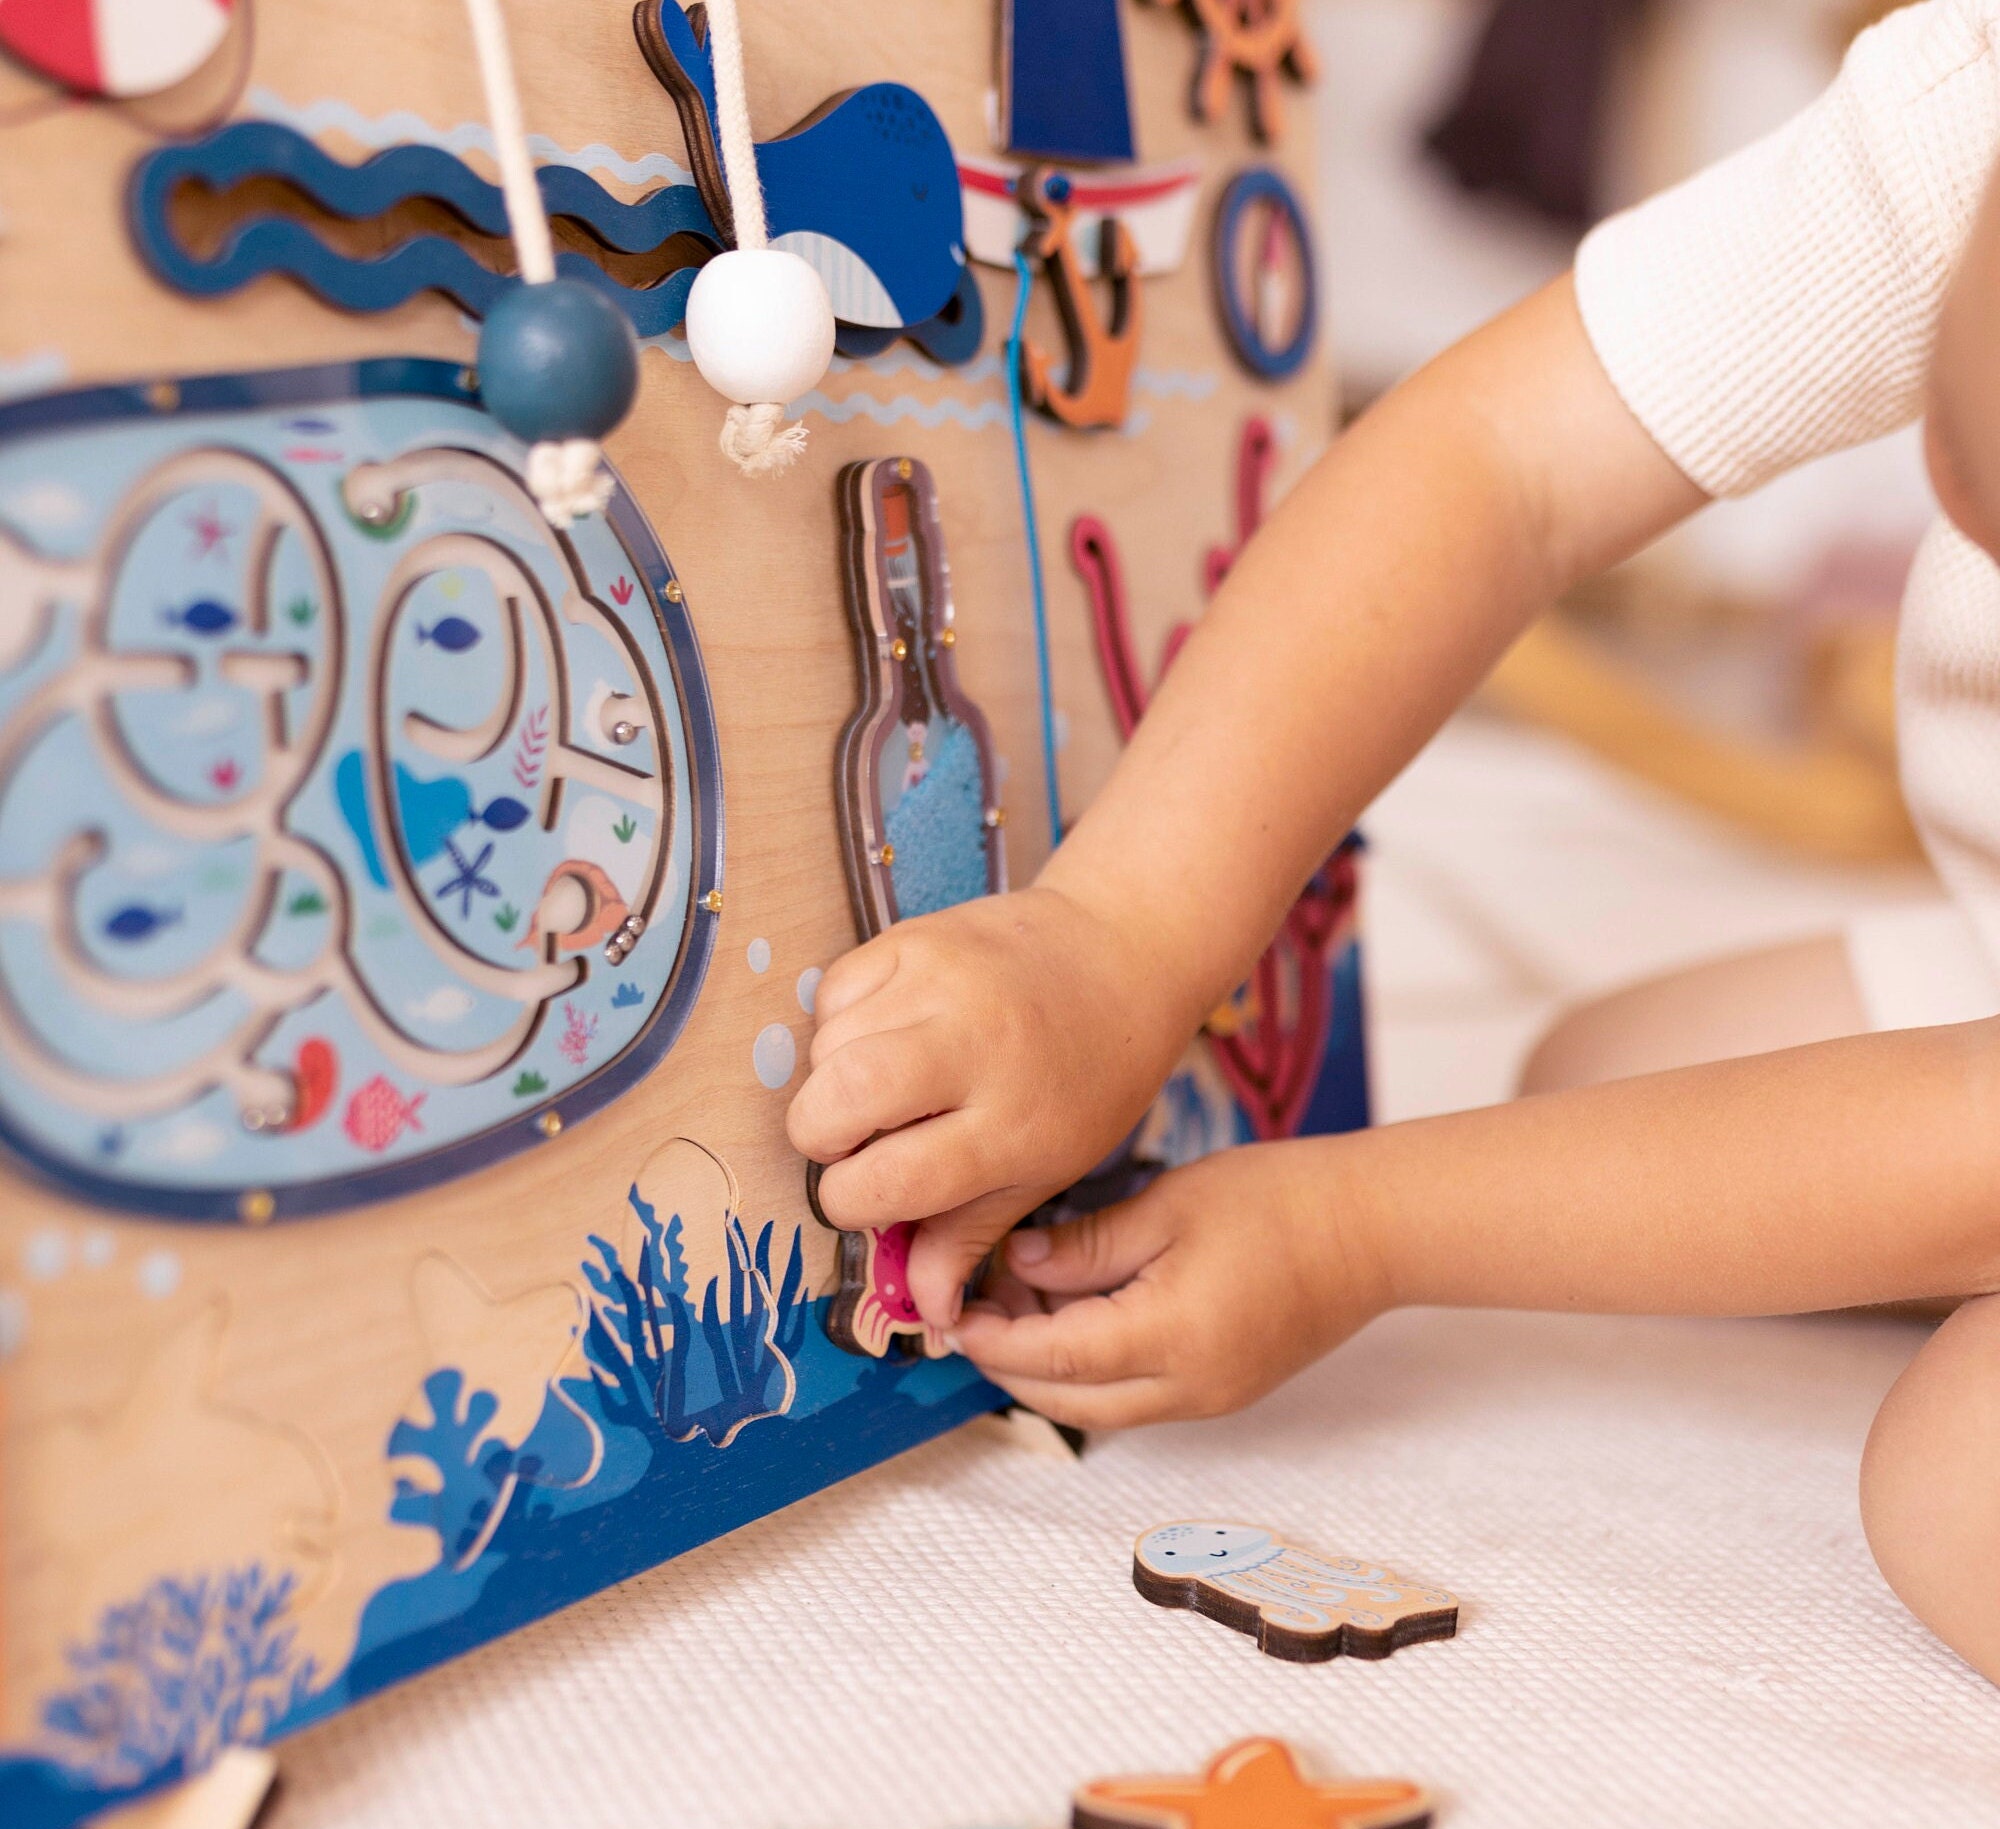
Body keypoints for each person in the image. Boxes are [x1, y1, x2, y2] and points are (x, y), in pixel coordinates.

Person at [789, 0, 2000, 1681]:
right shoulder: (1969, 105)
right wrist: (1122, 937)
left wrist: (1362, 1233)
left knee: (1958, 1476)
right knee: (1597, 1086)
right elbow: (1505, 459)